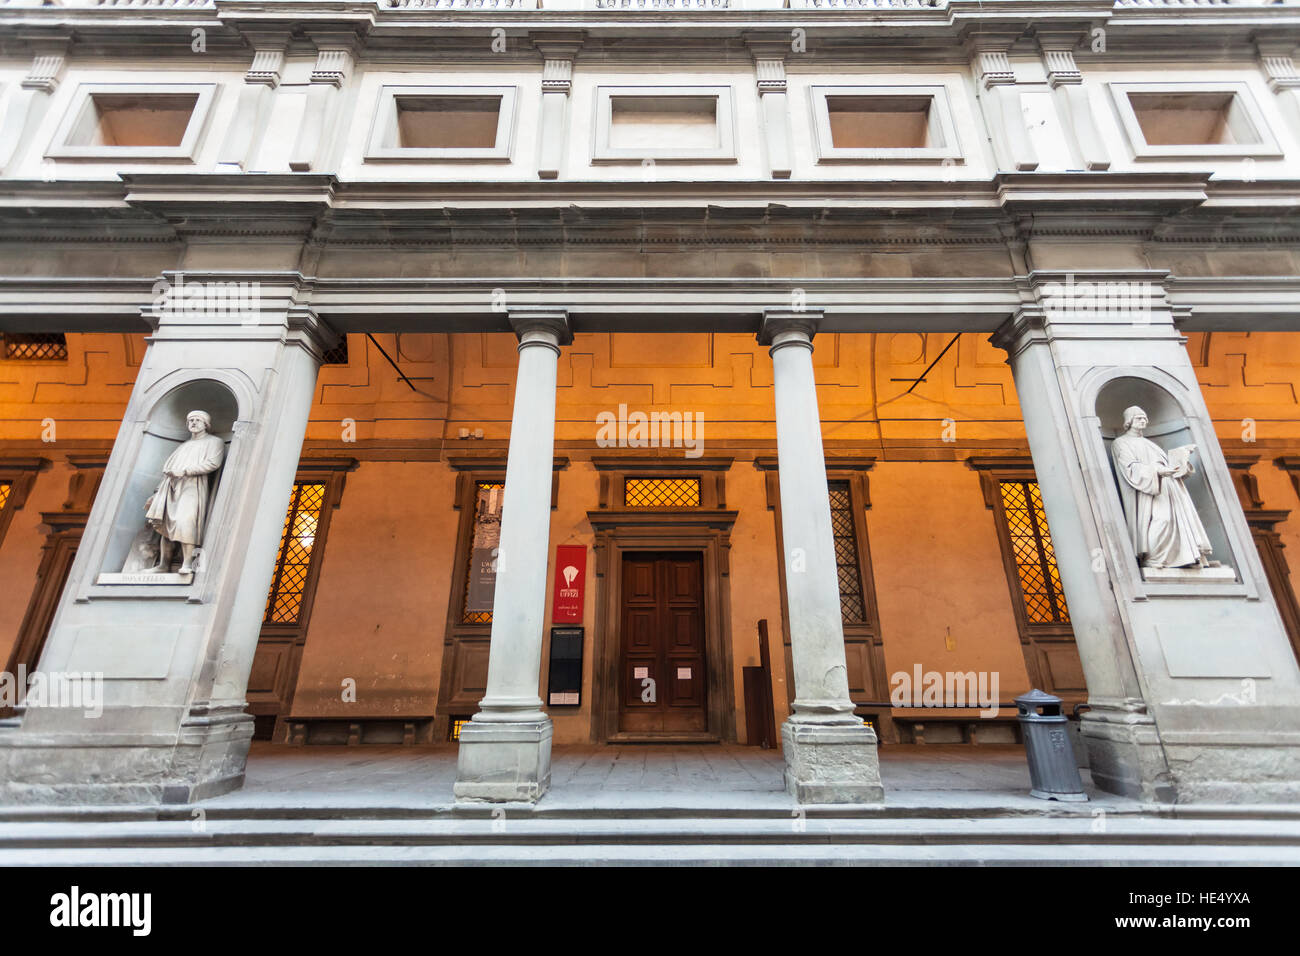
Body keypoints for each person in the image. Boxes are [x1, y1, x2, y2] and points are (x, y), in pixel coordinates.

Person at [1111, 405, 1213, 570]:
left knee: (1178, 521)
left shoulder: (1150, 444)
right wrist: (1157, 470)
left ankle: (1182, 557)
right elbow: (1130, 468)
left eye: (1144, 418)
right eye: (1138, 418)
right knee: (1162, 520)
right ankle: (1153, 558)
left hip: (1169, 488)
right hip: (1149, 490)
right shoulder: (1121, 443)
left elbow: (1171, 467)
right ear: (1129, 421)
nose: (1143, 421)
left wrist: (1181, 456)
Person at [144, 410, 224, 575]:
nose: (193, 423)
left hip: (193, 486)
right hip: (171, 487)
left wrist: (186, 471)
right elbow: (167, 472)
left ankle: (187, 563)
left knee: (185, 522)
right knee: (165, 524)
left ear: (206, 424)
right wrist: (157, 493)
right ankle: (163, 564)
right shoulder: (184, 446)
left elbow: (213, 463)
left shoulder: (214, 442)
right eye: (190, 420)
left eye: (197, 420)